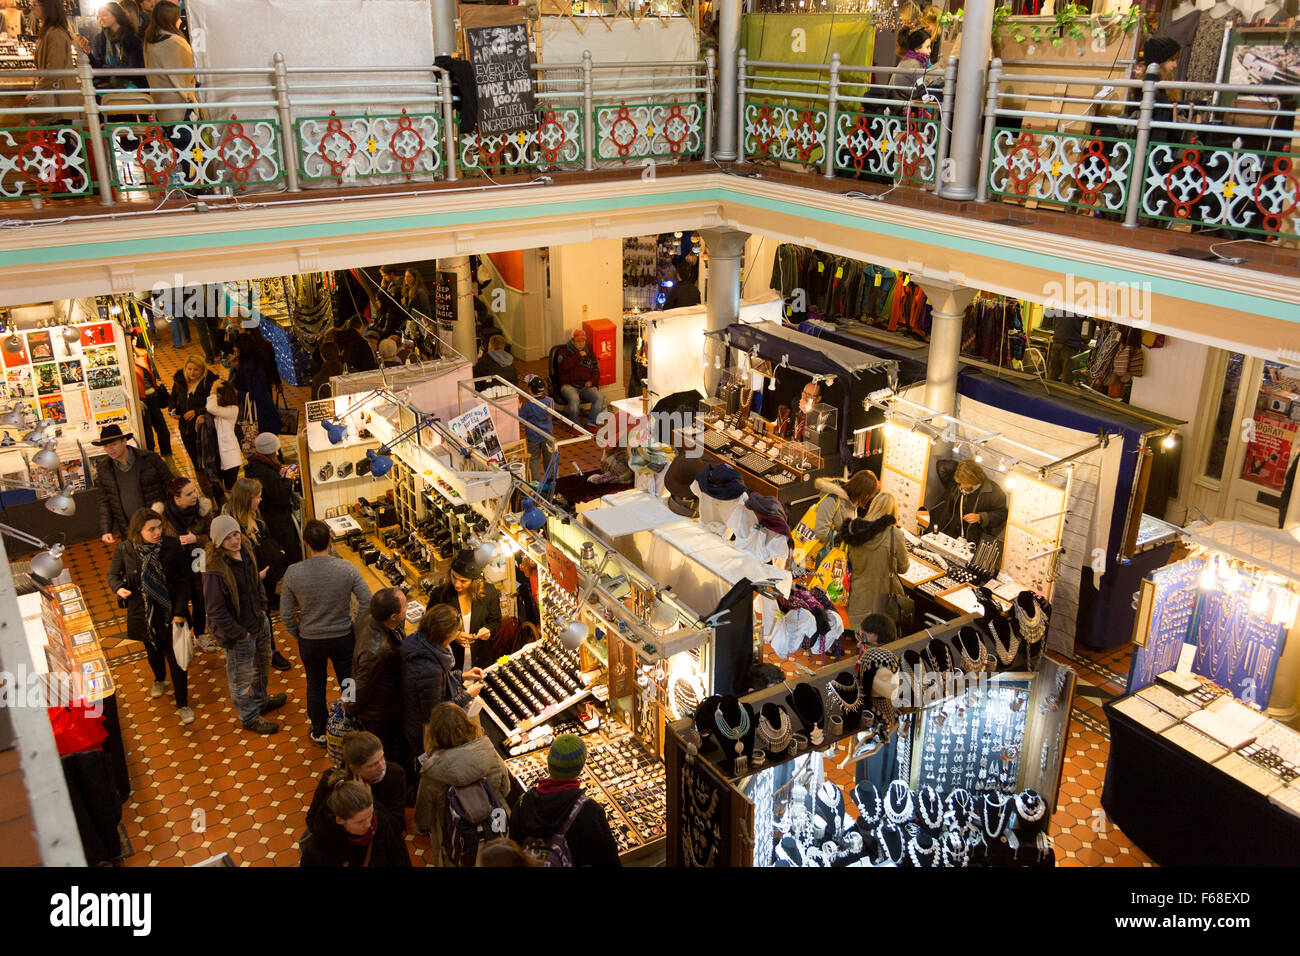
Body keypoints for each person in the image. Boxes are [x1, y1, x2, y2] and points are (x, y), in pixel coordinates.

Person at [280, 519, 370, 746]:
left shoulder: (293, 573)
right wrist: (355, 627)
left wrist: (298, 633)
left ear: (306, 542)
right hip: (342, 637)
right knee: (348, 681)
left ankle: (319, 730)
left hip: (310, 639)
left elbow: (286, 614)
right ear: (331, 538)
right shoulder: (346, 569)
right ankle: (351, 720)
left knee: (315, 683)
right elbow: (367, 601)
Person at [107, 508, 194, 724]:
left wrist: (180, 613)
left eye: (159, 527)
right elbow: (112, 574)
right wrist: (119, 588)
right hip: (145, 614)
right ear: (139, 531)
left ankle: (183, 703)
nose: (158, 532)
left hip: (171, 613)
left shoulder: (172, 546)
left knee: (177, 661)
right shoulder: (125, 549)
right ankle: (158, 679)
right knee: (153, 651)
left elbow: (184, 580)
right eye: (151, 529)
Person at [202, 514, 286, 734]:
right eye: (228, 537)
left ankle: (261, 700)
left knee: (262, 668)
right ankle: (249, 717)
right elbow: (215, 611)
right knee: (241, 679)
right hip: (239, 634)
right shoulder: (214, 570)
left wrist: (263, 609)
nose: (234, 540)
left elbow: (255, 581)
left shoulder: (246, 550)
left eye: (236, 534)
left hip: (258, 622)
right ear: (218, 542)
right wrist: (240, 634)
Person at [414, 702, 511, 866]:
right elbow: (506, 788)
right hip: (494, 832)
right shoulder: (488, 751)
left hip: (455, 844)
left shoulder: (431, 772)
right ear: (467, 724)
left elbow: (423, 819)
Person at [508, 734, 621, 867]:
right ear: (580, 767)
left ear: (549, 763)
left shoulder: (523, 803)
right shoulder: (589, 811)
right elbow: (608, 859)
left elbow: (514, 849)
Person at [400, 603, 485, 760]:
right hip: (425, 733)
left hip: (414, 719)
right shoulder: (429, 667)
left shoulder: (420, 641)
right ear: (446, 635)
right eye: (457, 631)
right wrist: (467, 695)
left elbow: (438, 681)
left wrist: (462, 676)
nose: (458, 634)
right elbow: (437, 712)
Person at [306, 731, 405, 840]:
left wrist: (369, 800)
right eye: (372, 765)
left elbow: (396, 826)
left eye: (382, 758)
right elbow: (312, 821)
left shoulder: (394, 774)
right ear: (354, 768)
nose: (382, 767)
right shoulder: (332, 781)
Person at [840, 492, 909, 638]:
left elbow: (849, 560)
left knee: (862, 641)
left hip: (858, 596)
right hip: (884, 600)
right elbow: (904, 568)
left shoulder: (854, 529)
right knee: (882, 643)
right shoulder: (895, 534)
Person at [349, 587, 407, 759]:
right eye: (405, 607)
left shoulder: (372, 619)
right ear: (393, 617)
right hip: (380, 715)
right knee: (387, 755)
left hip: (382, 707)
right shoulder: (377, 651)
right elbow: (361, 686)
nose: (408, 607)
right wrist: (348, 704)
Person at [299, 778, 410, 868]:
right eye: (360, 821)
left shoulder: (380, 822)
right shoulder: (318, 849)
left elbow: (399, 858)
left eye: (370, 815)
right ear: (340, 820)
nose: (368, 824)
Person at [94, 424, 175, 546]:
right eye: (106, 446)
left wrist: (170, 515)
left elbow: (171, 484)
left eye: (113, 444)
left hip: (157, 525)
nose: (110, 450)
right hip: (130, 530)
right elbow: (104, 501)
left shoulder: (149, 458)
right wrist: (106, 530)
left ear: (124, 441)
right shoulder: (104, 469)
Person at [153, 476, 212, 642]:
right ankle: (184, 635)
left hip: (198, 558)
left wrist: (197, 539)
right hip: (174, 566)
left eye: (194, 491)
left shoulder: (203, 512)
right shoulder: (162, 517)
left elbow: (215, 538)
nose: (195, 496)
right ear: (176, 498)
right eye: (189, 494)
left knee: (200, 598)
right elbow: (155, 541)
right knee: (179, 599)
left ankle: (201, 634)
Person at [433, 550, 502, 672]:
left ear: (474, 581)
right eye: (453, 577)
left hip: (481, 662)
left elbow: (495, 621)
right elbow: (430, 628)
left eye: (463, 581)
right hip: (451, 665)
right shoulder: (439, 595)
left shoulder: (489, 592)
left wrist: (488, 630)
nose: (457, 584)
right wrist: (454, 635)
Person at [243, 432, 303, 567]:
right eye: (275, 449)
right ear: (270, 451)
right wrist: (287, 480)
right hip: (277, 520)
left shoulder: (256, 465)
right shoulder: (265, 472)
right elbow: (280, 497)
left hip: (268, 516)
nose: (277, 453)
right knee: (290, 555)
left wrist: (279, 476)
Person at [920, 458, 1008, 543]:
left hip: (970, 540)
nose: (962, 486)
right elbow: (941, 465)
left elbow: (1002, 514)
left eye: (965, 483)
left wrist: (981, 517)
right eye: (960, 482)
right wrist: (962, 468)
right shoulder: (956, 481)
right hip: (945, 531)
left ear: (975, 479)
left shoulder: (993, 491)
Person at [142, 1, 196, 123]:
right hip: (180, 104)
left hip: (161, 103)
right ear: (170, 20)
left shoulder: (149, 41)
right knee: (191, 140)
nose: (181, 21)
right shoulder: (176, 42)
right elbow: (191, 69)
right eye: (178, 18)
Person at [28, 0, 77, 124]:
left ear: (47, 7)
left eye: (34, 5)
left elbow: (55, 68)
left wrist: (38, 90)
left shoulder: (55, 34)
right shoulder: (49, 32)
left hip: (59, 98)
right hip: (56, 97)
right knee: (57, 137)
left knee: (60, 137)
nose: (31, 8)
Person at [76, 2, 144, 90]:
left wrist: (107, 70)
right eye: (99, 16)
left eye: (104, 15)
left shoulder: (132, 39)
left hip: (131, 84)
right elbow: (97, 67)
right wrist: (88, 52)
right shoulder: (99, 39)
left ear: (116, 15)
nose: (101, 19)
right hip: (107, 84)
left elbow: (133, 68)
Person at [168, 355, 216, 475]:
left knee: (209, 461)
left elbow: (215, 405)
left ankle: (215, 487)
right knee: (196, 463)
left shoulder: (209, 383)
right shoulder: (180, 382)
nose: (192, 372)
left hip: (203, 430)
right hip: (185, 429)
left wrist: (197, 411)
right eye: (189, 369)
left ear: (202, 370)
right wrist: (172, 410)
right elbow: (172, 399)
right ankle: (204, 486)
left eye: (196, 369)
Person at [231, 331, 281, 436]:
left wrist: (238, 394)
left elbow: (258, 393)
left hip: (259, 415)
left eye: (235, 350)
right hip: (264, 413)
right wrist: (236, 367)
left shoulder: (250, 368)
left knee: (263, 446)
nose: (234, 353)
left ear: (241, 350)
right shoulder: (256, 361)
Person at [556, 328, 606, 429]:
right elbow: (563, 367)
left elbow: (596, 371)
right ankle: (574, 426)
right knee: (574, 398)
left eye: (583, 341)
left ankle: (591, 424)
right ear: (572, 341)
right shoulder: (563, 352)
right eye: (578, 341)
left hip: (585, 386)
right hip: (568, 385)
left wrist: (592, 382)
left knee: (599, 397)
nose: (581, 344)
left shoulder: (590, 353)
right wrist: (578, 356)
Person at [132, 347, 172, 457]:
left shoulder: (142, 354)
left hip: (147, 397)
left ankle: (160, 454)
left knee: (154, 430)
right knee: (153, 430)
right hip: (145, 397)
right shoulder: (141, 354)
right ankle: (160, 455)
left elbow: (152, 373)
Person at [205, 380, 243, 491]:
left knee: (231, 487)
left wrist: (213, 389)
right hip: (215, 454)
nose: (215, 397)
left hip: (229, 455)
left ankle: (233, 506)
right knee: (217, 487)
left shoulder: (233, 409)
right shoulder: (218, 411)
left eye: (218, 395)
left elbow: (211, 408)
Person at [519, 374, 555, 484]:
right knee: (550, 461)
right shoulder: (550, 401)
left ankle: (535, 484)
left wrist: (519, 408)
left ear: (530, 390)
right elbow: (551, 415)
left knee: (534, 460)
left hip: (533, 438)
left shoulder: (527, 405)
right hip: (548, 436)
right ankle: (551, 483)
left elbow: (520, 419)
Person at [893, 26, 938, 101]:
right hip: (902, 104)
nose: (930, 50)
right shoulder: (914, 63)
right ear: (917, 49)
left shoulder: (908, 59)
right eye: (927, 47)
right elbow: (924, 85)